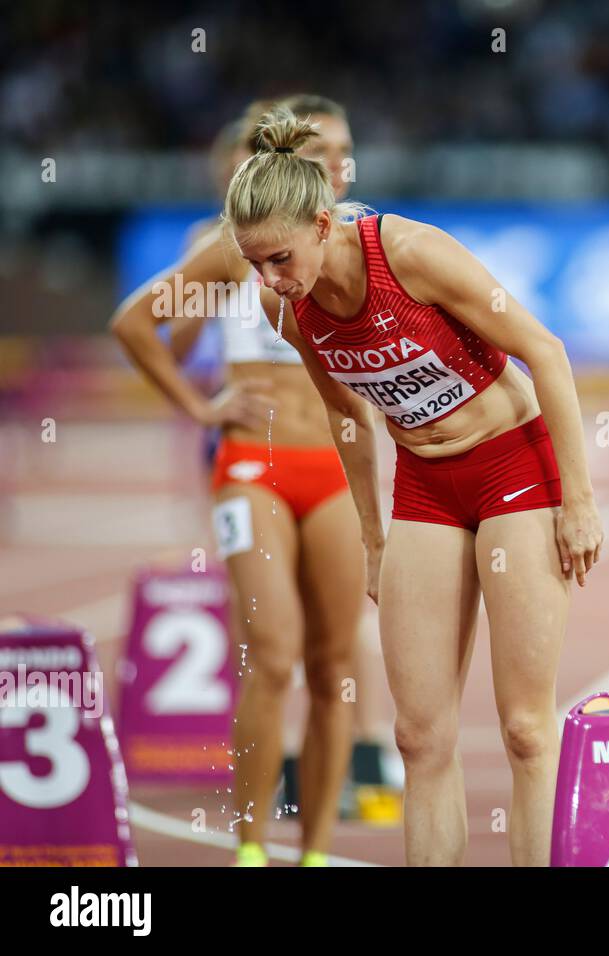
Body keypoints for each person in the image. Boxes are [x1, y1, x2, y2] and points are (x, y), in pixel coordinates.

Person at [225, 105, 604, 866]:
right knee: (419, 735)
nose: (270, 280)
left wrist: (578, 499)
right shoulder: (287, 308)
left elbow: (547, 352)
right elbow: (347, 418)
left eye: (279, 258)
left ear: (324, 224)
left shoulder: (412, 255)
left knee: (528, 728)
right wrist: (373, 537)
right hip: (426, 485)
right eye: (254, 263)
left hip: (513, 470)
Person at [110, 96, 363, 867]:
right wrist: (200, 404)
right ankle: (251, 848)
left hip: (335, 472)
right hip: (253, 463)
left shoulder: (361, 240)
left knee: (333, 667)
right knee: (272, 653)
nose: (338, 164)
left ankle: (316, 849)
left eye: (346, 152)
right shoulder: (234, 244)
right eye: (324, 151)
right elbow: (136, 322)